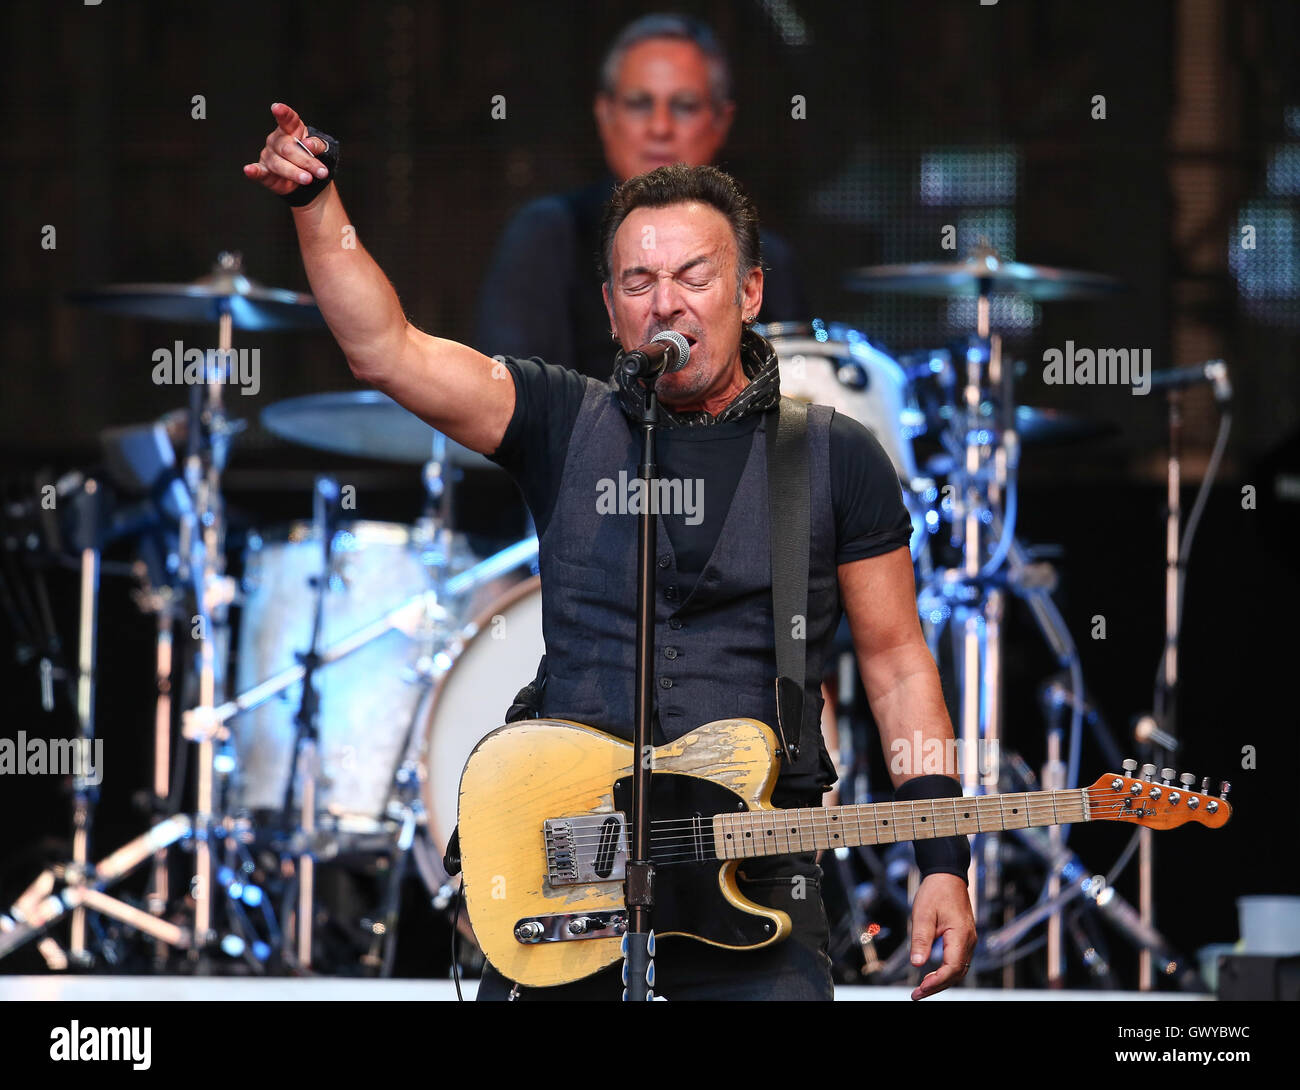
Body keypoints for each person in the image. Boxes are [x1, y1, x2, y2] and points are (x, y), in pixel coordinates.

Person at [244, 104, 975, 1001]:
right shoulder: (563, 418)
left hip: (756, 883)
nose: (665, 301)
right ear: (610, 309)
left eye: (693, 276)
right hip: (573, 860)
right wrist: (317, 202)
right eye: (638, 281)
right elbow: (386, 350)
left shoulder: (833, 456)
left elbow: (899, 666)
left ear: (748, 293)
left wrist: (943, 858)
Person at [474, 13, 806, 381]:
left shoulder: (768, 255)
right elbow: (513, 399)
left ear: (721, 121)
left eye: (684, 105)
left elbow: (797, 391)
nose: (659, 128)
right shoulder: (548, 234)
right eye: (639, 104)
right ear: (606, 116)